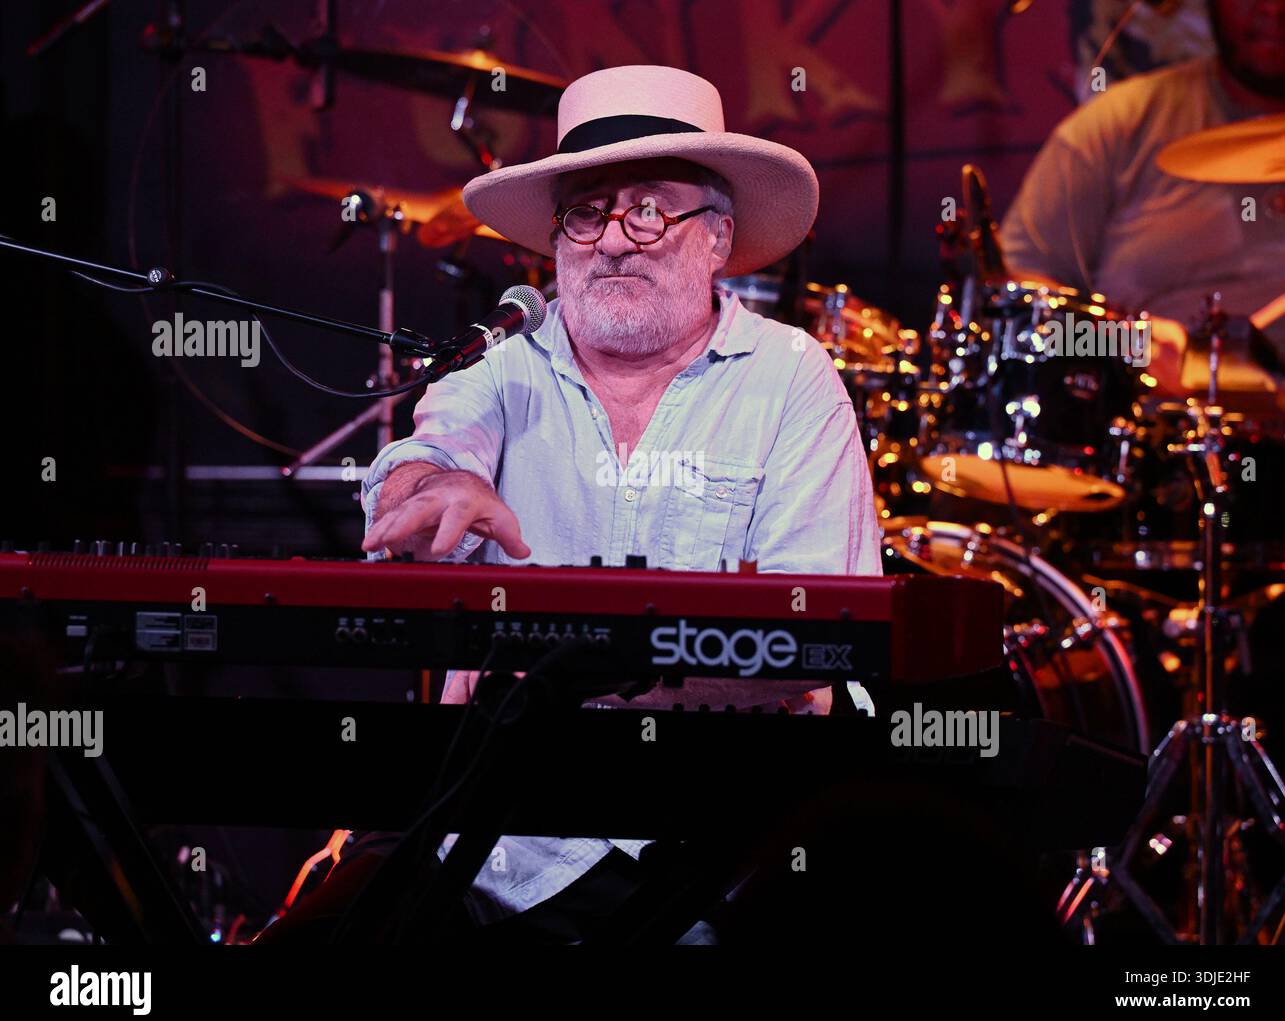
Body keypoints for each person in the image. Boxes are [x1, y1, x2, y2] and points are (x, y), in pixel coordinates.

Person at [262, 64, 880, 945]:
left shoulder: (791, 379)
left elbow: (825, 636)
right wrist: (430, 487)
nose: (613, 241)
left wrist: (591, 686)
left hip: (703, 843)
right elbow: (417, 464)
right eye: (587, 213)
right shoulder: (504, 365)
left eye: (648, 210)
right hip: (482, 839)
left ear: (718, 237)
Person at [1000, 0, 1285, 374]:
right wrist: (1130, 345)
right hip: (1154, 420)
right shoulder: (1119, 125)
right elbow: (1013, 308)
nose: (1275, 9)